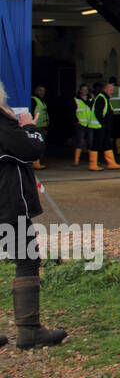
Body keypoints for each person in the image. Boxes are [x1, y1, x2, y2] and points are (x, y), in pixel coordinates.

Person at [0, 81, 66, 349]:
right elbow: (31, 149)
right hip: (7, 203)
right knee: (27, 259)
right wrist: (29, 125)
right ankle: (29, 331)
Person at [89, 83, 120, 171]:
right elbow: (98, 113)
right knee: (96, 144)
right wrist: (103, 124)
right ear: (105, 89)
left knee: (107, 144)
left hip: (104, 126)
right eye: (111, 90)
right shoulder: (101, 98)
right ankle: (93, 164)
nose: (112, 92)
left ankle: (111, 163)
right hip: (99, 126)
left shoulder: (105, 98)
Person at [72, 84, 94, 167]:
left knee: (91, 142)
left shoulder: (91, 100)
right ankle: (76, 161)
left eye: (86, 89)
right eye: (83, 89)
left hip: (90, 124)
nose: (85, 91)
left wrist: (92, 99)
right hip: (80, 124)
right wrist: (76, 121)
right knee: (79, 142)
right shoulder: (76, 100)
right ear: (80, 90)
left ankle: (92, 161)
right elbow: (72, 111)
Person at [30, 84, 48, 170]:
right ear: (35, 91)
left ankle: (38, 162)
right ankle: (35, 163)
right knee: (37, 145)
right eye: (40, 90)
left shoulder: (42, 101)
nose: (42, 92)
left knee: (41, 145)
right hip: (36, 127)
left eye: (43, 91)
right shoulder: (34, 100)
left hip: (42, 126)